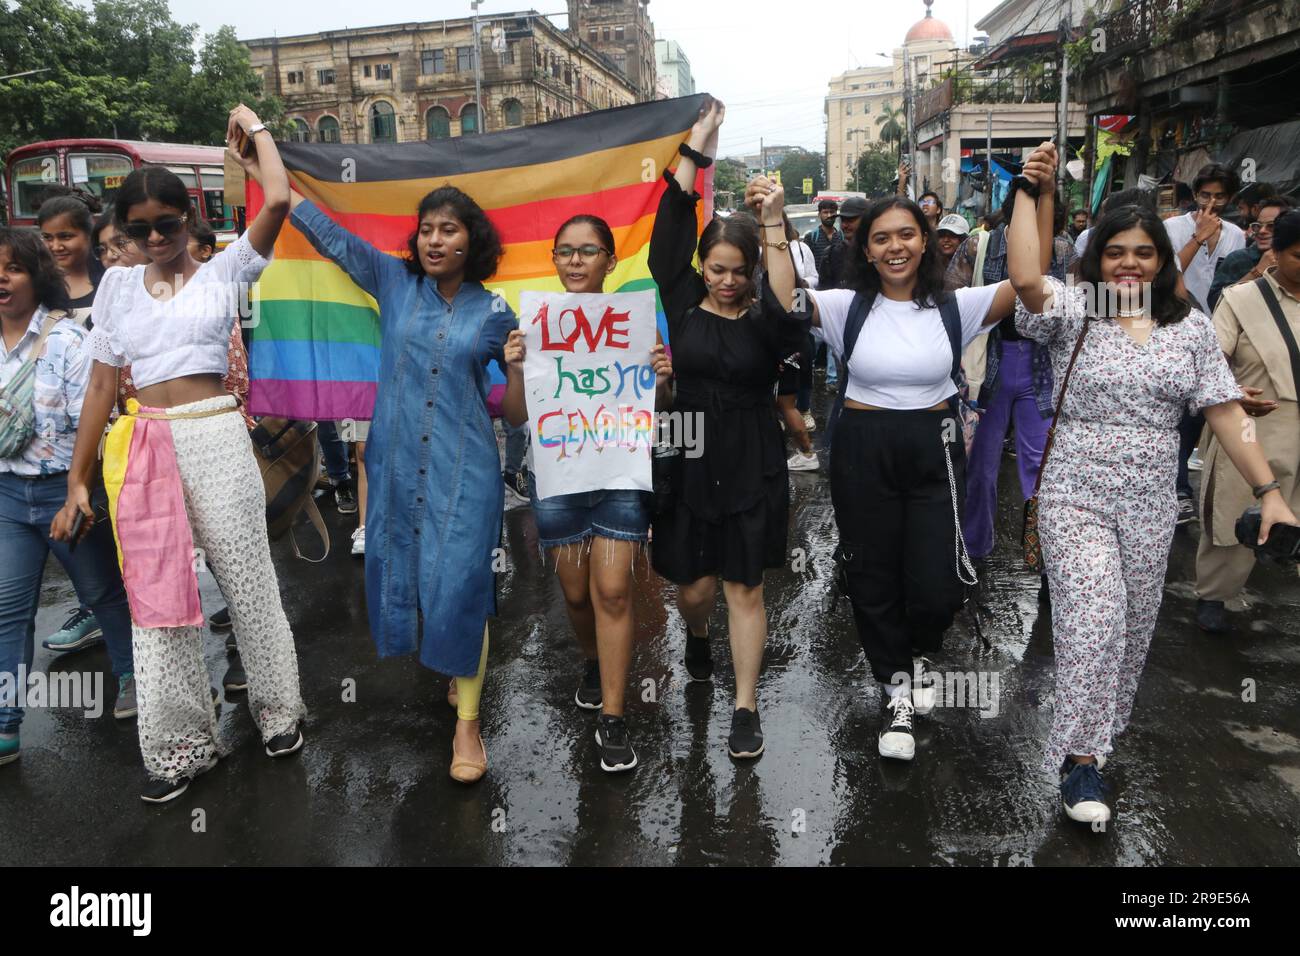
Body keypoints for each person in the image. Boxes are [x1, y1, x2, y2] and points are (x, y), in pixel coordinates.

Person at [1007, 142, 1297, 827]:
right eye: (1117, 251)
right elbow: (1024, 277)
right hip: (1075, 492)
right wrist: (1028, 188)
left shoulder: (1191, 328)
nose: (1130, 263)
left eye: (1143, 252)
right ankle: (1079, 761)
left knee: (1132, 631)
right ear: (1098, 258)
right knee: (1096, 618)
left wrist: (1269, 492)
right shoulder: (1078, 308)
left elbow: (1226, 413)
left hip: (1146, 501)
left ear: (1161, 262)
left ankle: (1099, 740)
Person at [52, 105, 307, 803]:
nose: (156, 237)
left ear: (188, 218)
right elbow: (103, 384)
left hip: (217, 435)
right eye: (139, 229)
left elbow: (279, 196)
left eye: (168, 223)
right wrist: (78, 481)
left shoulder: (227, 270)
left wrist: (254, 133)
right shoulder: (117, 287)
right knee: (155, 603)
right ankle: (181, 749)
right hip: (142, 446)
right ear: (123, 232)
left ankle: (280, 715)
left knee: (249, 584)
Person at [762, 170, 1022, 762]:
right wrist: (773, 222)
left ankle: (919, 650)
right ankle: (896, 692)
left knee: (938, 583)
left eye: (907, 234)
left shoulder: (961, 304)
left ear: (926, 240)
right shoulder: (843, 307)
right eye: (881, 238)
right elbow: (782, 302)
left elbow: (1028, 284)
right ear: (865, 248)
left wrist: (1036, 196)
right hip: (862, 445)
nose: (895, 246)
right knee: (873, 575)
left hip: (935, 444)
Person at [278, 158, 514, 786]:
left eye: (449, 230)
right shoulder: (391, 280)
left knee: (462, 583)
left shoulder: (495, 311)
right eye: (426, 230)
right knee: (414, 574)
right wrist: (266, 149)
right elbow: (326, 235)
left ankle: (468, 722)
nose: (435, 240)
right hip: (397, 462)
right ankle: (456, 671)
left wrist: (517, 366)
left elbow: (514, 412)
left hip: (467, 470)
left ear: (473, 240)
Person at [648, 100, 808, 760]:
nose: (727, 282)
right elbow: (669, 229)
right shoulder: (681, 300)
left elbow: (784, 293)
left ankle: (744, 708)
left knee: (744, 585)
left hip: (750, 450)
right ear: (700, 270)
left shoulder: (766, 315)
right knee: (695, 588)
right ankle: (695, 636)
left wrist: (770, 223)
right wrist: (698, 147)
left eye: (738, 272)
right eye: (716, 269)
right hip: (684, 443)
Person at [500, 215, 671, 772]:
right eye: (565, 251)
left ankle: (614, 720)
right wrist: (517, 370)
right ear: (553, 260)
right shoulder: (536, 327)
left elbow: (659, 410)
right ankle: (594, 662)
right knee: (576, 596)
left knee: (615, 593)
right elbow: (517, 416)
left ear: (610, 261)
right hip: (560, 482)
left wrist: (663, 380)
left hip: (619, 477)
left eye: (588, 251)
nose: (575, 261)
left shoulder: (636, 324)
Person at [0, 230, 137, 767]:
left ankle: (132, 679)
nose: (2, 279)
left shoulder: (69, 341)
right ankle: (6, 723)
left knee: (103, 594)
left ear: (35, 275)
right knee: (8, 613)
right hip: (9, 496)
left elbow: (96, 420)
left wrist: (77, 493)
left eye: (12, 268)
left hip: (67, 491)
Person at [946, 180, 1077, 596]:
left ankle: (1048, 559)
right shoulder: (977, 245)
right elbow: (952, 301)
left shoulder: (1062, 249)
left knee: (1041, 471)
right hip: (989, 365)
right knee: (980, 466)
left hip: (1043, 368)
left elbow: (1079, 307)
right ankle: (973, 548)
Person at [1195, 209, 1300, 633]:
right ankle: (1214, 597)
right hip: (1253, 426)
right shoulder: (1241, 299)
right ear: (1275, 251)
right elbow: (1212, 363)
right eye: (1298, 255)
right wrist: (1234, 394)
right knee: (1236, 520)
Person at [1165, 164, 1246, 313]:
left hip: (1220, 319)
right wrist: (1199, 237)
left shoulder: (1236, 235)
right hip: (1179, 318)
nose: (1211, 203)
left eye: (1219, 197)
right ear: (1195, 195)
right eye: (1205, 195)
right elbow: (1166, 274)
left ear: (1229, 198)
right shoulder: (1171, 227)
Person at [1207, 196, 1294, 312]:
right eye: (1258, 226)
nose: (1262, 231)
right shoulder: (1238, 259)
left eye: (1271, 226)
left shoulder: (1295, 260)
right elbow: (1216, 304)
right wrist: (1257, 272)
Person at [36, 190, 104, 327]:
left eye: (65, 237)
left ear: (89, 234)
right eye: (47, 238)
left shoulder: (110, 276)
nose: (55, 246)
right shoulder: (35, 281)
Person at [802, 199, 841, 274]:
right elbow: (806, 263)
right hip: (818, 282)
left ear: (836, 214)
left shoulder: (842, 236)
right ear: (819, 214)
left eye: (832, 212)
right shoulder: (811, 237)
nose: (829, 215)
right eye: (825, 212)